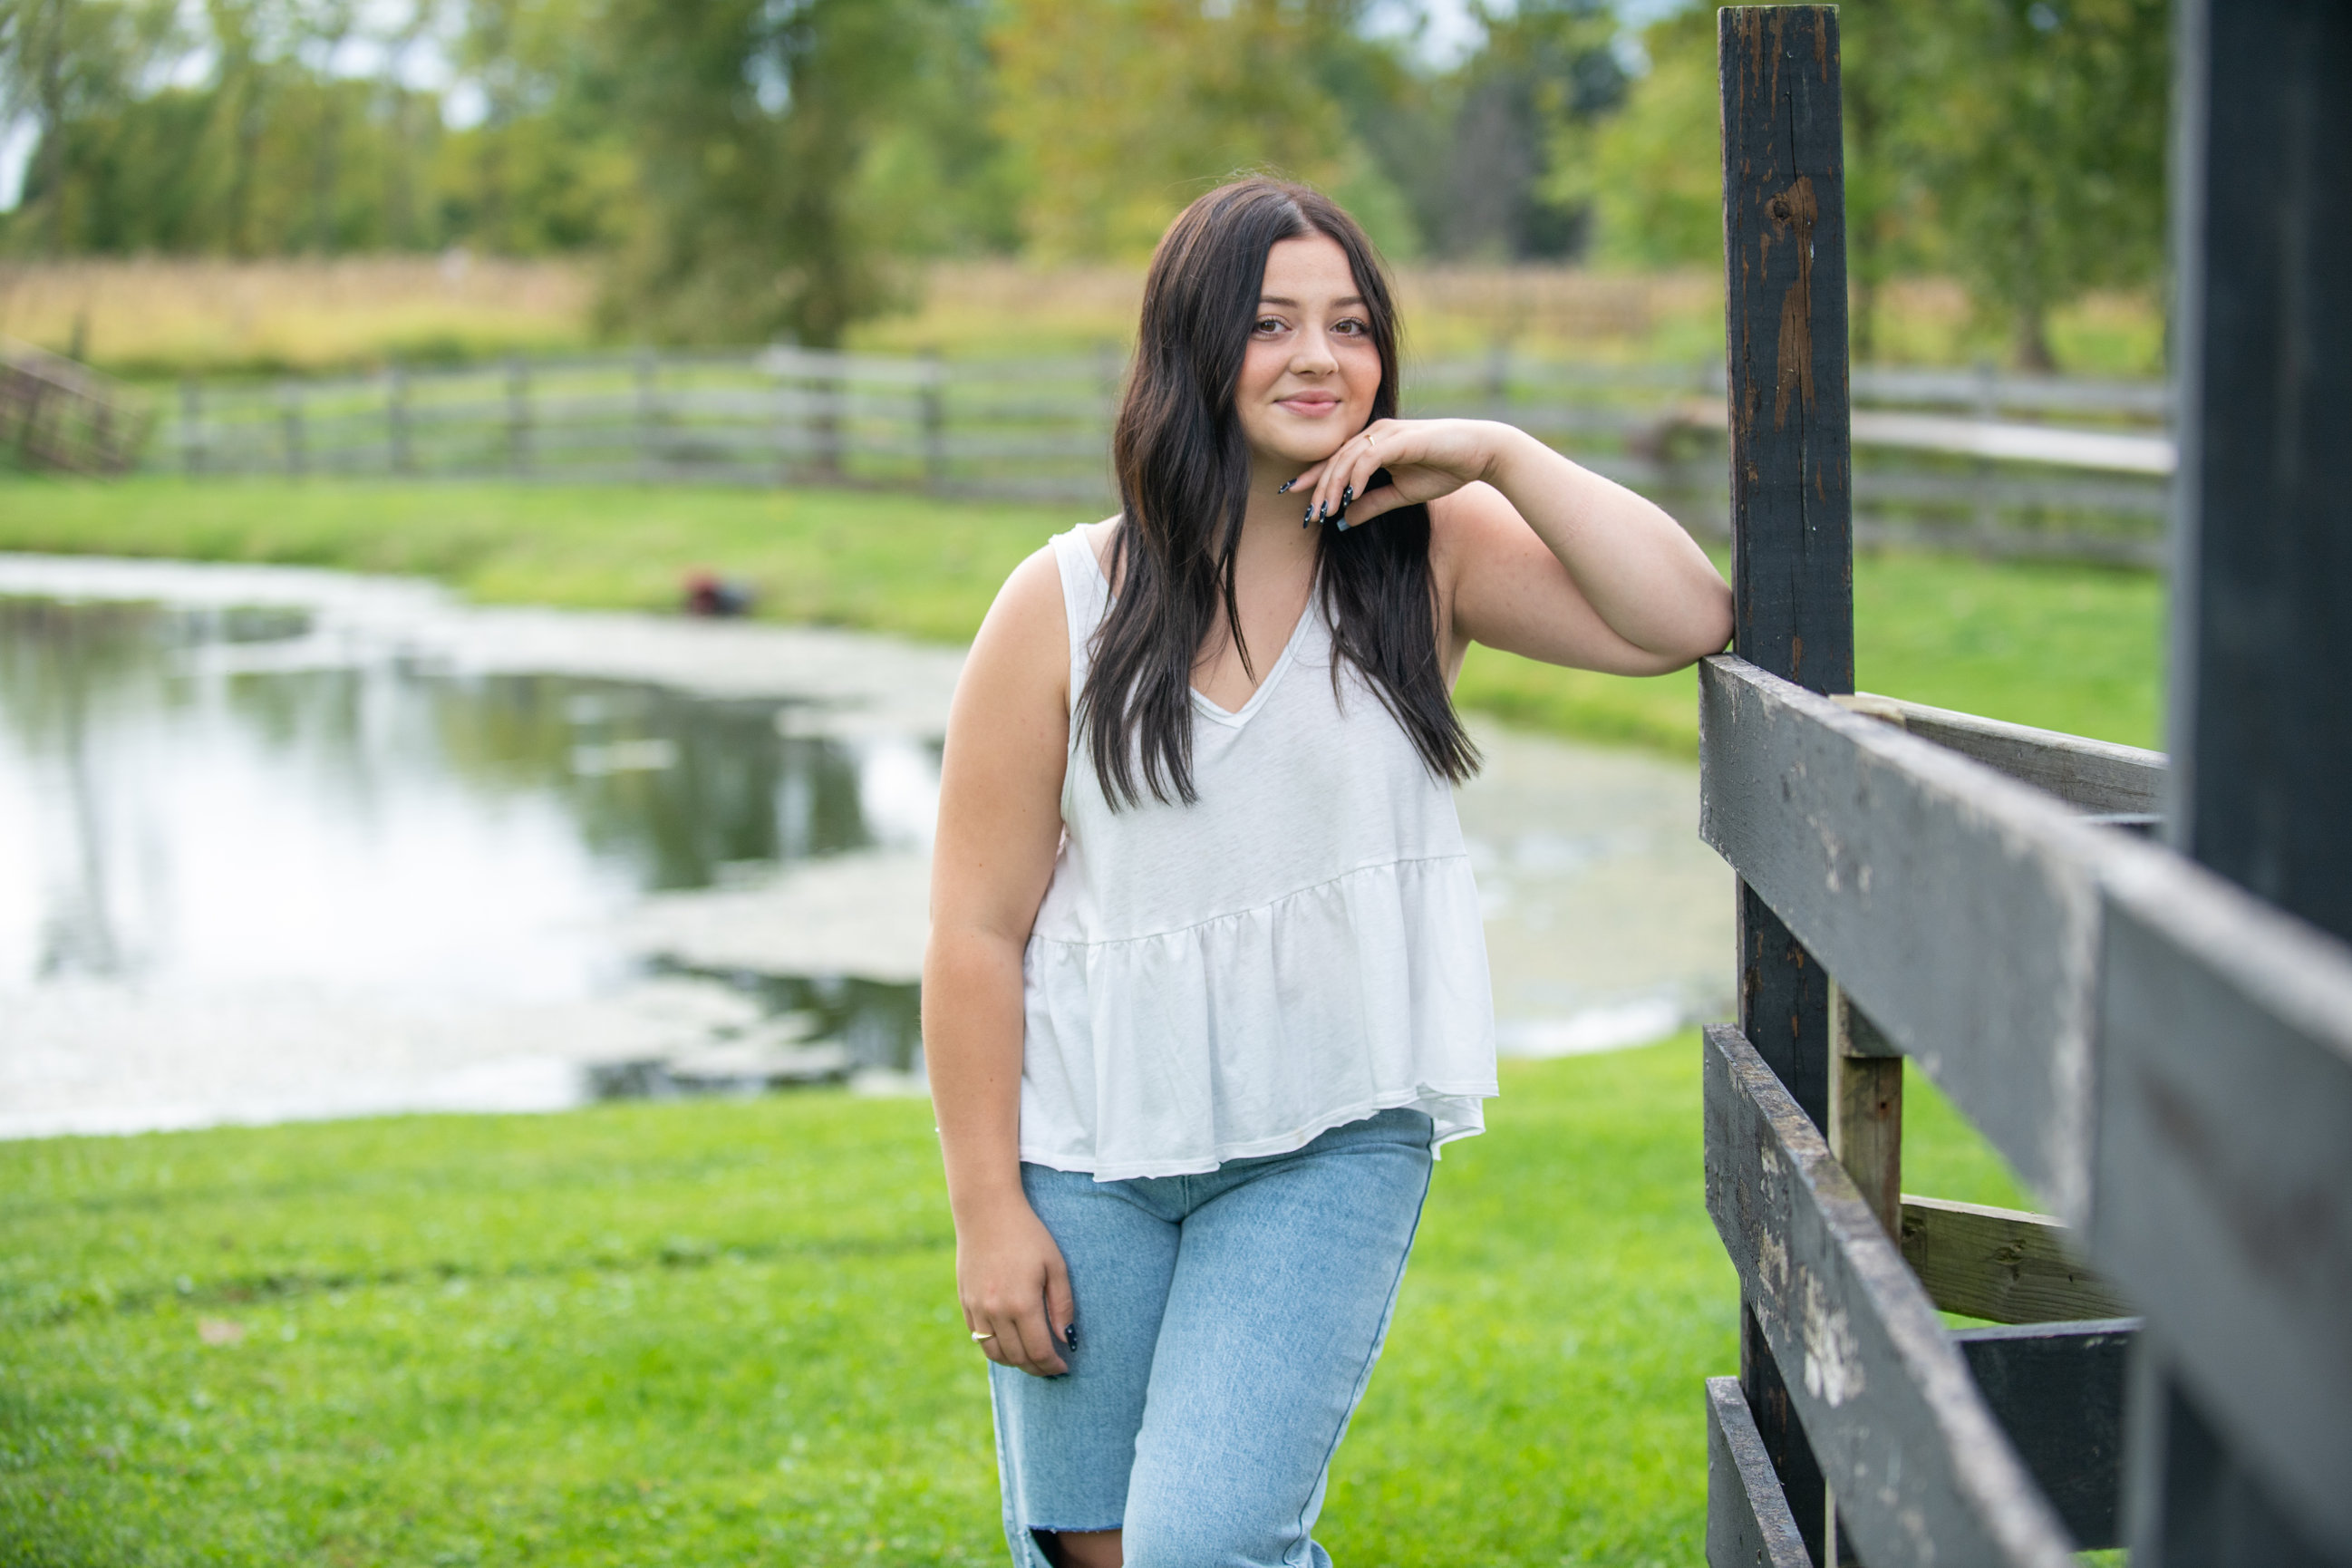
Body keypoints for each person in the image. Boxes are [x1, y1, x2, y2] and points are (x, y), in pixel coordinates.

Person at [922, 177, 1732, 1568]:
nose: (1318, 357)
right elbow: (974, 931)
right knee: (1088, 1546)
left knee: (1203, 1545)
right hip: (1089, 1143)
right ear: (1191, 348)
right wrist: (990, 1209)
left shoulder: (1429, 559)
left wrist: (1496, 453)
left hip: (1327, 1137)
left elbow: (1683, 614)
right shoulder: (1060, 600)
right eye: (1271, 322)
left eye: (1351, 325)